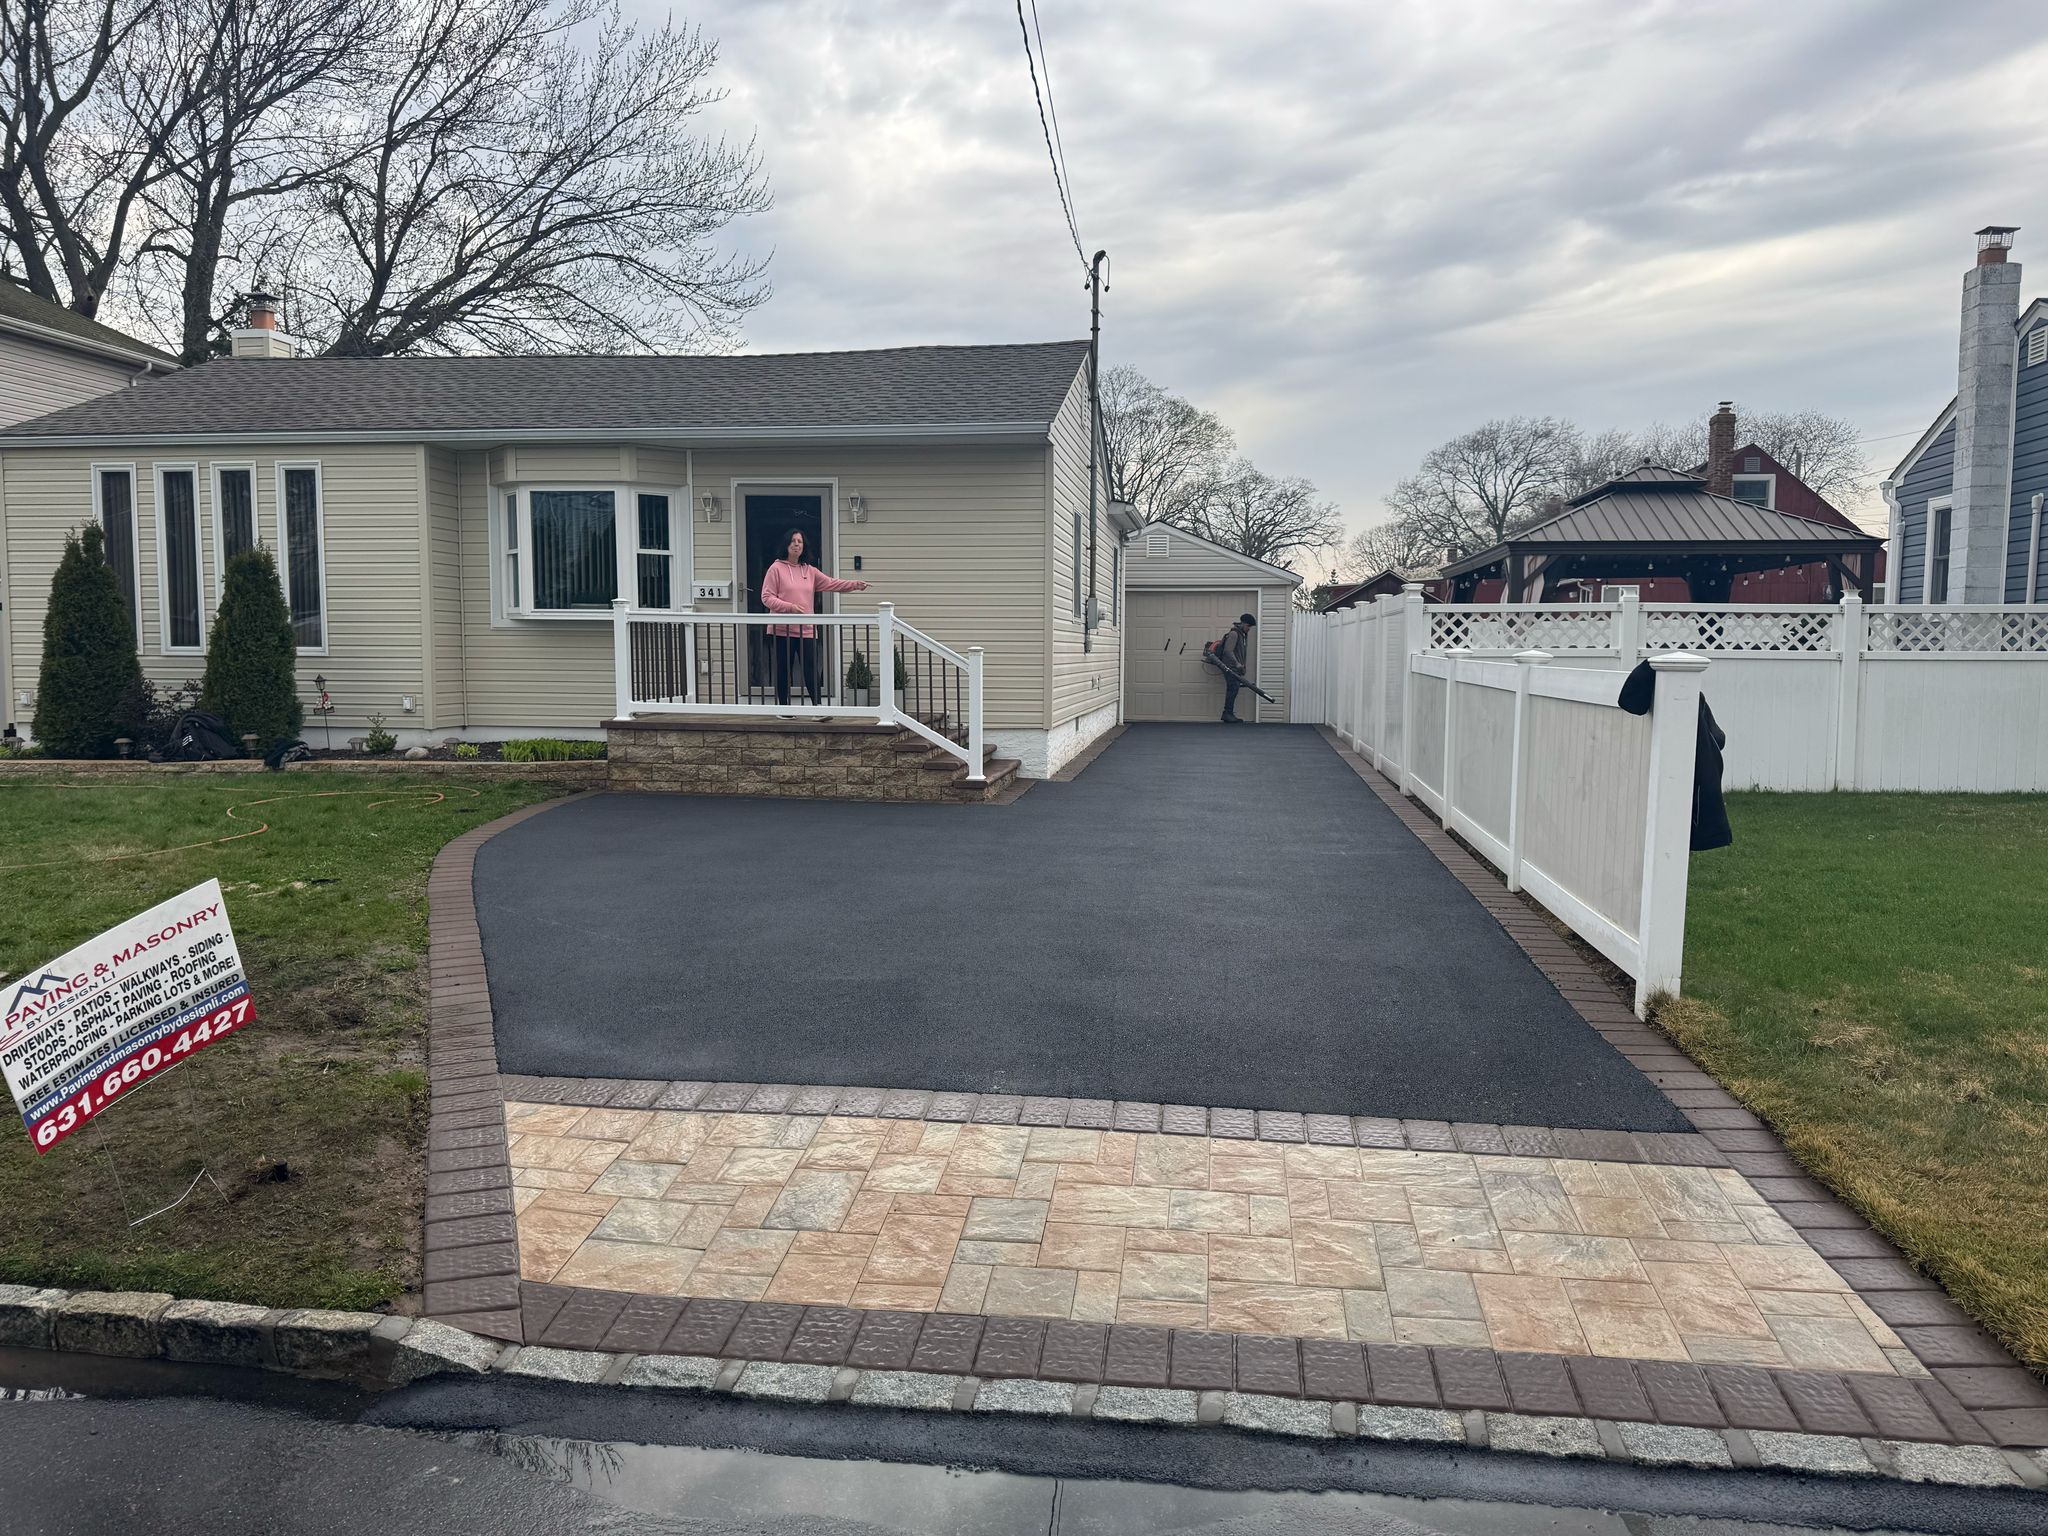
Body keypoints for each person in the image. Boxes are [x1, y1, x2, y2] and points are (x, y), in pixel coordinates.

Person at [759, 529, 867, 708]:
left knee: (810, 669)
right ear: (786, 544)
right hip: (781, 629)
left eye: (799, 541)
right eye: (793, 541)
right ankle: (784, 708)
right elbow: (766, 597)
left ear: (804, 546)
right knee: (783, 670)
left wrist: (855, 585)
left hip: (806, 629)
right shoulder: (776, 568)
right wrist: (790, 608)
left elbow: (832, 583)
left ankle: (818, 707)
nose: (796, 544)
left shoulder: (809, 571)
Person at [1216, 611, 1256, 722]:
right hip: (1230, 667)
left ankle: (1228, 713)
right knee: (1233, 688)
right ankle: (1227, 714)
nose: (1249, 629)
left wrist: (1242, 666)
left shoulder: (1242, 635)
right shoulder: (1234, 634)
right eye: (1249, 627)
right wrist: (1237, 663)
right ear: (1244, 624)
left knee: (1233, 688)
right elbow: (1228, 651)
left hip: (1236, 668)